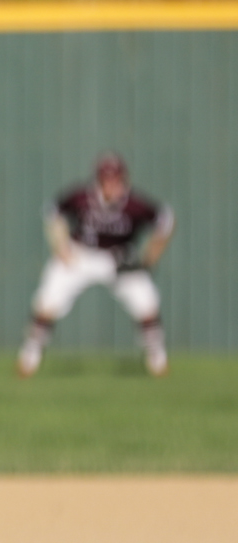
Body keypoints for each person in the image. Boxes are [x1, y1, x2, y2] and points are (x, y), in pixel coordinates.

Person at [17, 153, 175, 377]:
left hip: (119, 258)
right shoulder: (81, 197)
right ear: (98, 180)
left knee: (146, 303)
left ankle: (157, 359)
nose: (112, 185)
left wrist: (150, 256)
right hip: (81, 254)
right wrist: (60, 246)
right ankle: (29, 356)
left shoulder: (134, 204)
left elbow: (166, 220)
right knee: (47, 301)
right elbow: (53, 211)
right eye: (106, 180)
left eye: (116, 180)